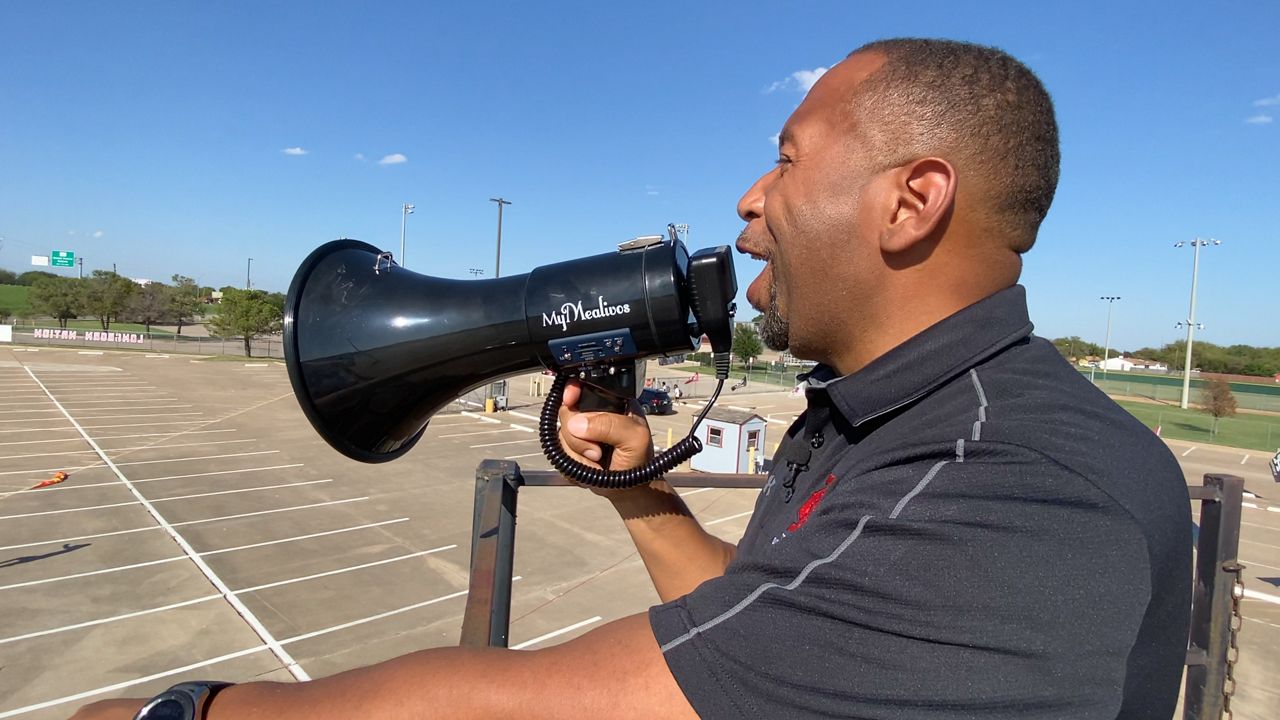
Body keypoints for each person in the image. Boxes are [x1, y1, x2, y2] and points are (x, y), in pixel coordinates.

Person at [72, 38, 1192, 720]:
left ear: (911, 201)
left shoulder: (1016, 487)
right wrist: (643, 497)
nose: (749, 199)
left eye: (789, 157)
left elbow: (521, 708)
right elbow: (770, 638)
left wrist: (187, 711)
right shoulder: (877, 415)